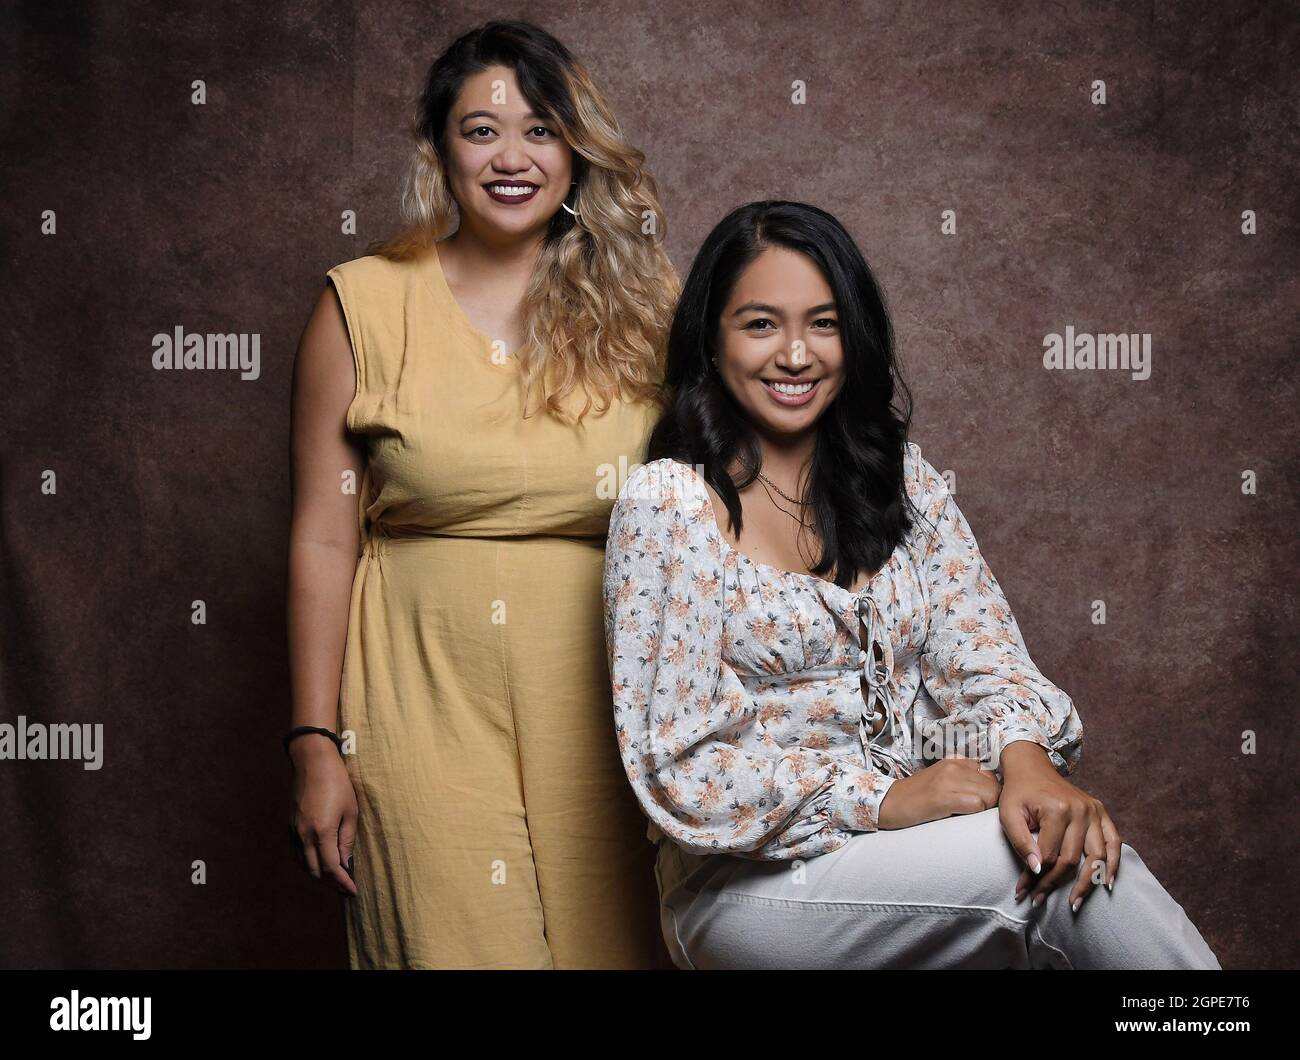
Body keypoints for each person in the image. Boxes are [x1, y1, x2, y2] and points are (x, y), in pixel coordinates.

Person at [601, 200, 1221, 969]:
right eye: (760, 324)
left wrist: (1027, 758)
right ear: (711, 339)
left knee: (1066, 843)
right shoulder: (668, 505)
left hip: (918, 850)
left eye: (822, 324)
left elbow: (982, 649)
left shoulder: (901, 479)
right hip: (747, 885)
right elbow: (682, 764)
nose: (795, 353)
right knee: (1053, 873)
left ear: (852, 338)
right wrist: (881, 801)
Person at [287, 20, 679, 968]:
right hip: (415, 699)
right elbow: (322, 542)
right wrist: (312, 743)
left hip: (610, 709)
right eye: (482, 130)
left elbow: (723, 508)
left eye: (542, 129)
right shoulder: (361, 304)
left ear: (576, 150)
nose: (514, 157)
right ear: (439, 150)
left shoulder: (650, 307)